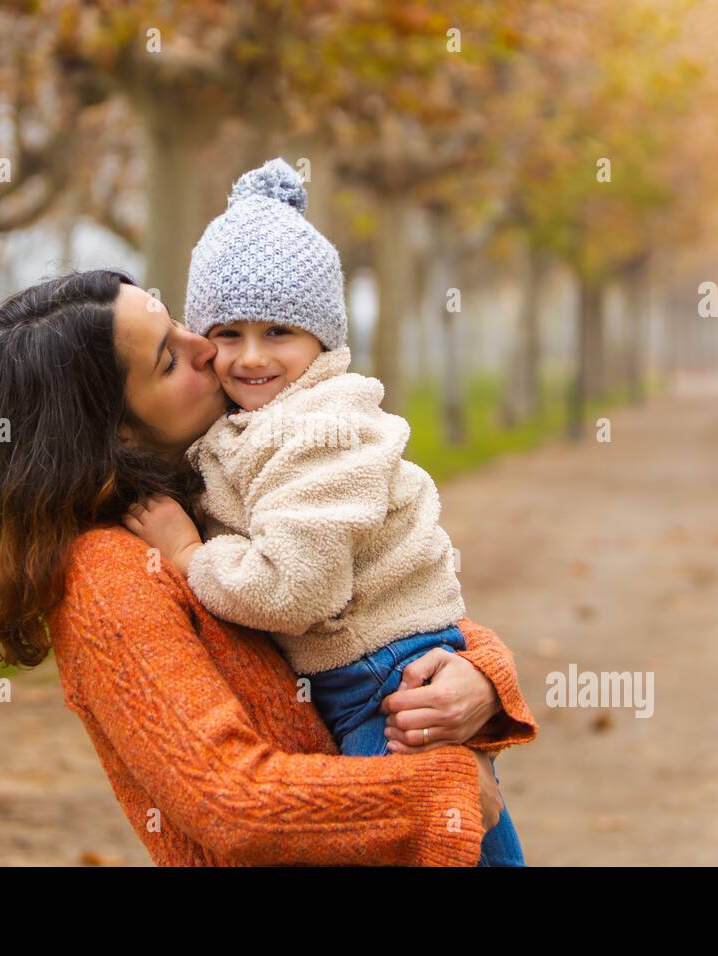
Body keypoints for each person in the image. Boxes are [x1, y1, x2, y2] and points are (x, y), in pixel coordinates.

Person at [0, 267, 539, 865]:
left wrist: (483, 676)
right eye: (168, 360)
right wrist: (447, 790)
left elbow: (369, 608)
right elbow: (233, 801)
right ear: (117, 434)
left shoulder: (216, 496)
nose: (207, 347)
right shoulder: (110, 578)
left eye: (177, 323)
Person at [125, 159, 529, 865]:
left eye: (280, 331)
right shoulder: (253, 424)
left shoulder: (319, 427)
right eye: (228, 332)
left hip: (387, 685)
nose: (250, 357)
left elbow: (297, 586)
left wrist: (190, 556)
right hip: (367, 676)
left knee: (441, 846)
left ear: (324, 342)